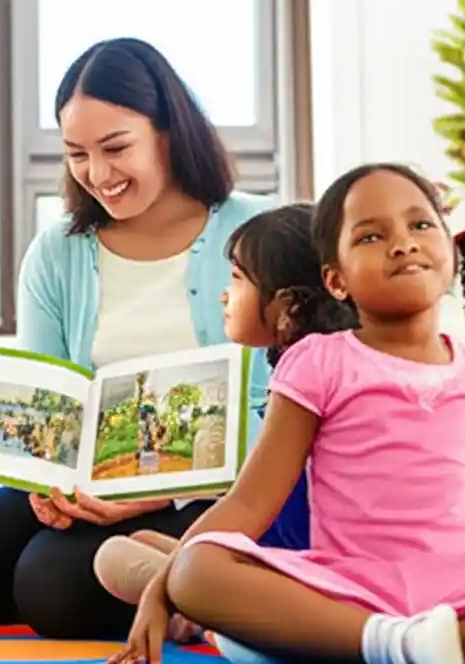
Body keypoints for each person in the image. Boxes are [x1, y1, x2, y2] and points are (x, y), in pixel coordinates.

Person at [0, 36, 275, 639]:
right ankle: (179, 591)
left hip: (217, 487)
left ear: (169, 131)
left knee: (51, 591)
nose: (98, 175)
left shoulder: (257, 230)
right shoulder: (58, 251)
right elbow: (47, 392)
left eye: (116, 147)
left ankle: (203, 598)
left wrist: (154, 491)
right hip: (94, 485)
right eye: (77, 154)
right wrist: (45, 483)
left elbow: (283, 408)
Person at [113, 163, 465, 664]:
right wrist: (164, 589)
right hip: (349, 587)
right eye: (371, 236)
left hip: (459, 588)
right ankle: (392, 643)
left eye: (421, 225)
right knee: (195, 569)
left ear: (450, 246)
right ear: (336, 281)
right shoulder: (319, 362)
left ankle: (378, 646)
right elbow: (249, 505)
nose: (403, 243)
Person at [92, 203, 356, 645]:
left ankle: (214, 623)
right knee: (134, 544)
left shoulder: (303, 377)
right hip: (278, 557)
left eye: (237, 278)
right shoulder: (323, 363)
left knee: (122, 557)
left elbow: (253, 505)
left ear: (287, 305)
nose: (223, 294)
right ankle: (202, 614)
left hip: (301, 573)